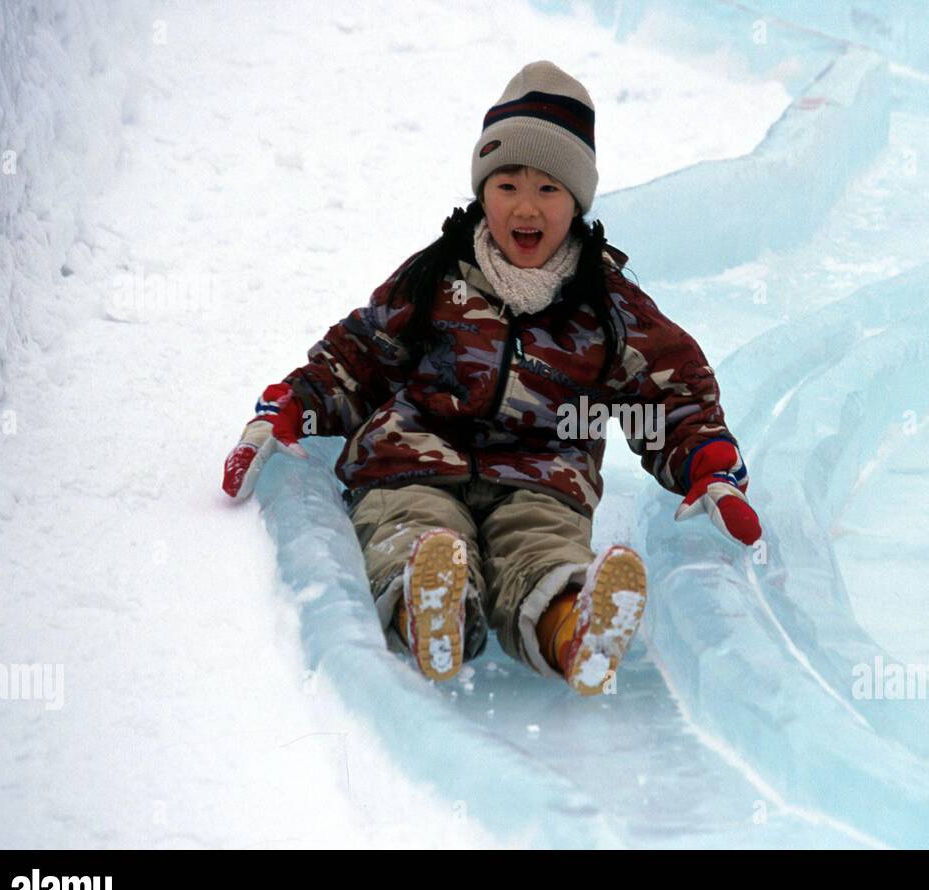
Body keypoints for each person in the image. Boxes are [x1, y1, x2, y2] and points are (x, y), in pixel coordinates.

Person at [222, 61, 761, 695]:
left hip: (541, 479)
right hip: (412, 461)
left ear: (578, 201)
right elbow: (360, 354)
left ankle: (576, 629)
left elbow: (669, 392)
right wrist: (290, 407)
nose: (525, 207)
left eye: (548, 189)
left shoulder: (605, 304)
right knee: (412, 531)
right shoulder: (437, 277)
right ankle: (431, 612)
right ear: (483, 191)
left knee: (542, 552)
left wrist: (707, 462)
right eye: (507, 184)